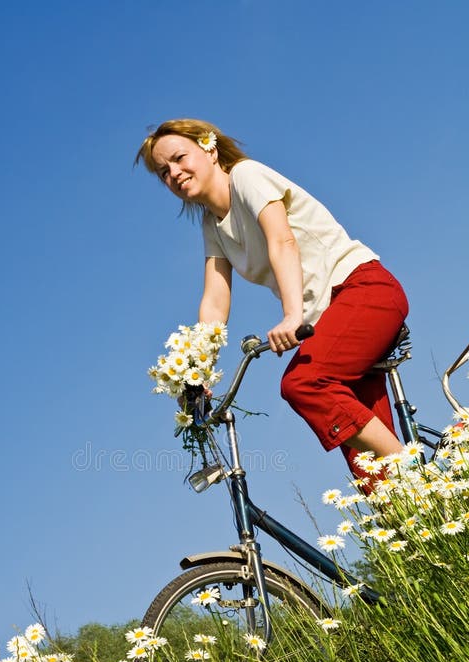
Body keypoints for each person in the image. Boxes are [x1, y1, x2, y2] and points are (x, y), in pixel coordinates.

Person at [136, 118, 409, 482]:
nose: (174, 173)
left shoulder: (246, 177)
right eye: (163, 171)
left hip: (361, 290)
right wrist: (194, 374)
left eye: (179, 158)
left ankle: (419, 474)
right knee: (373, 475)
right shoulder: (212, 226)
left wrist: (292, 315)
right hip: (329, 325)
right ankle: (418, 502)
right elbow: (216, 299)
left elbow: (282, 241)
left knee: (304, 383)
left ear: (210, 149)